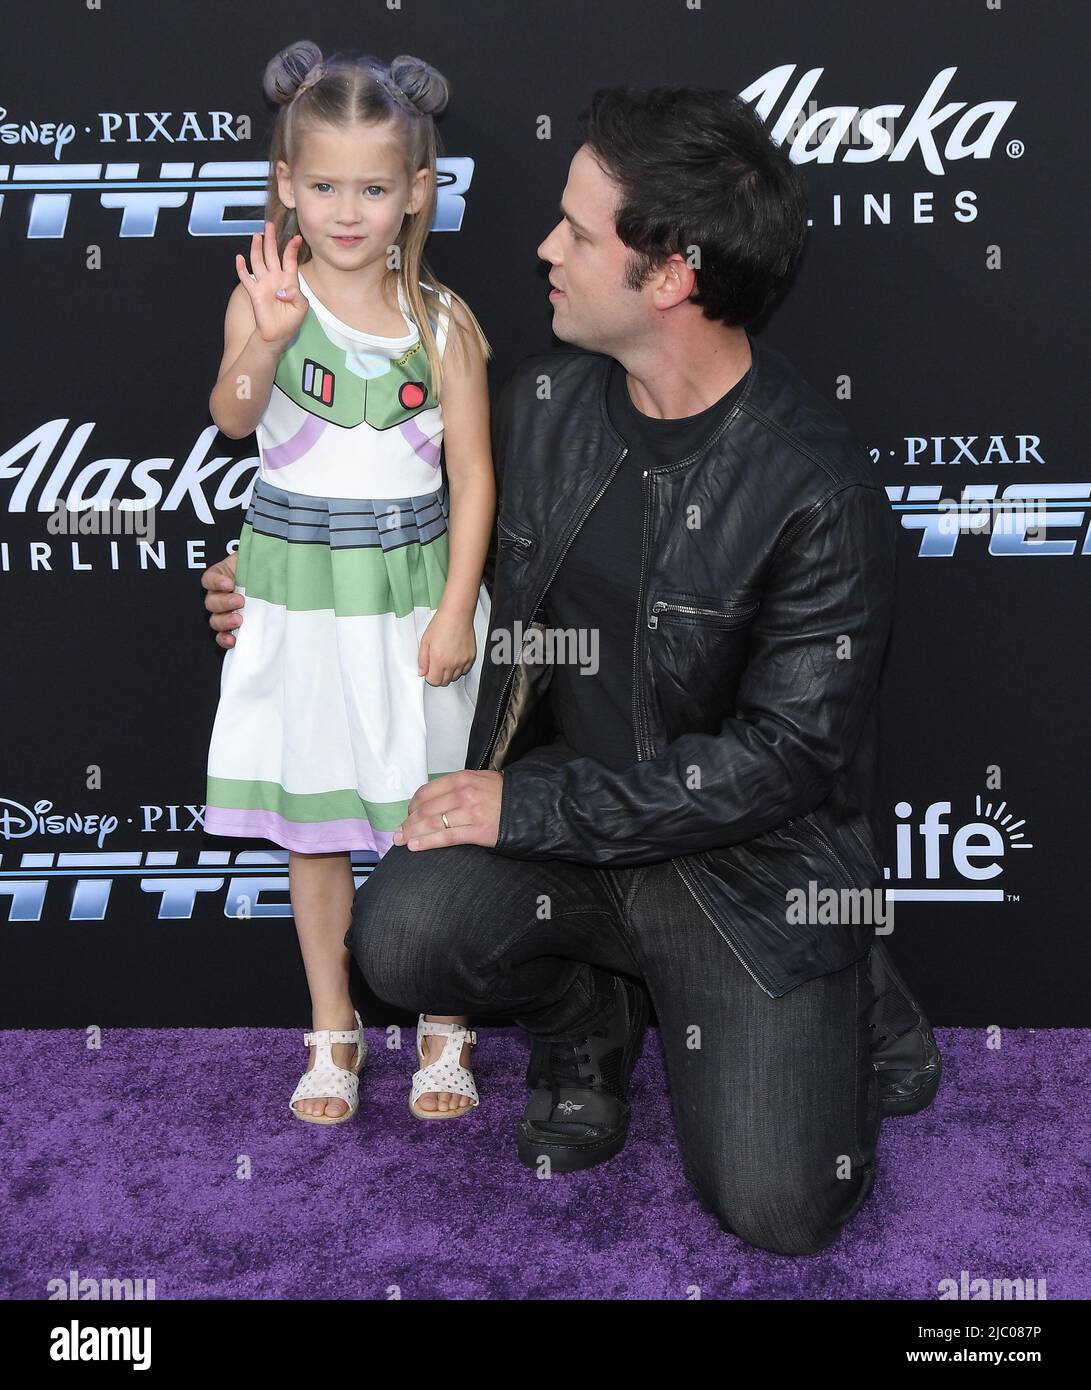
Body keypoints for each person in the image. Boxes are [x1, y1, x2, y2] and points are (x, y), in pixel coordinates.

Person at [203, 84, 942, 1254]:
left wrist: (529, 798)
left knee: (779, 1211)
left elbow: (782, 763)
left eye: (578, 232)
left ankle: (849, 994)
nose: (542, 246)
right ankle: (586, 1016)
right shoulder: (543, 407)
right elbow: (415, 550)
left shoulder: (817, 493)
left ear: (668, 276)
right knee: (399, 935)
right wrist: (270, 589)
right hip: (570, 842)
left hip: (741, 870)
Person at [202, 40, 495, 1125]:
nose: (345, 210)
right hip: (296, 597)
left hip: (412, 599)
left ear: (416, 189)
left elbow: (473, 476)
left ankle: (443, 1025)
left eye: (373, 187)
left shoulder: (443, 323)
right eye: (322, 185)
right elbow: (233, 413)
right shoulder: (268, 302)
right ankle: (333, 1029)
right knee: (314, 828)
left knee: (433, 820)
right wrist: (265, 343)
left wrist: (458, 603)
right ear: (286, 184)